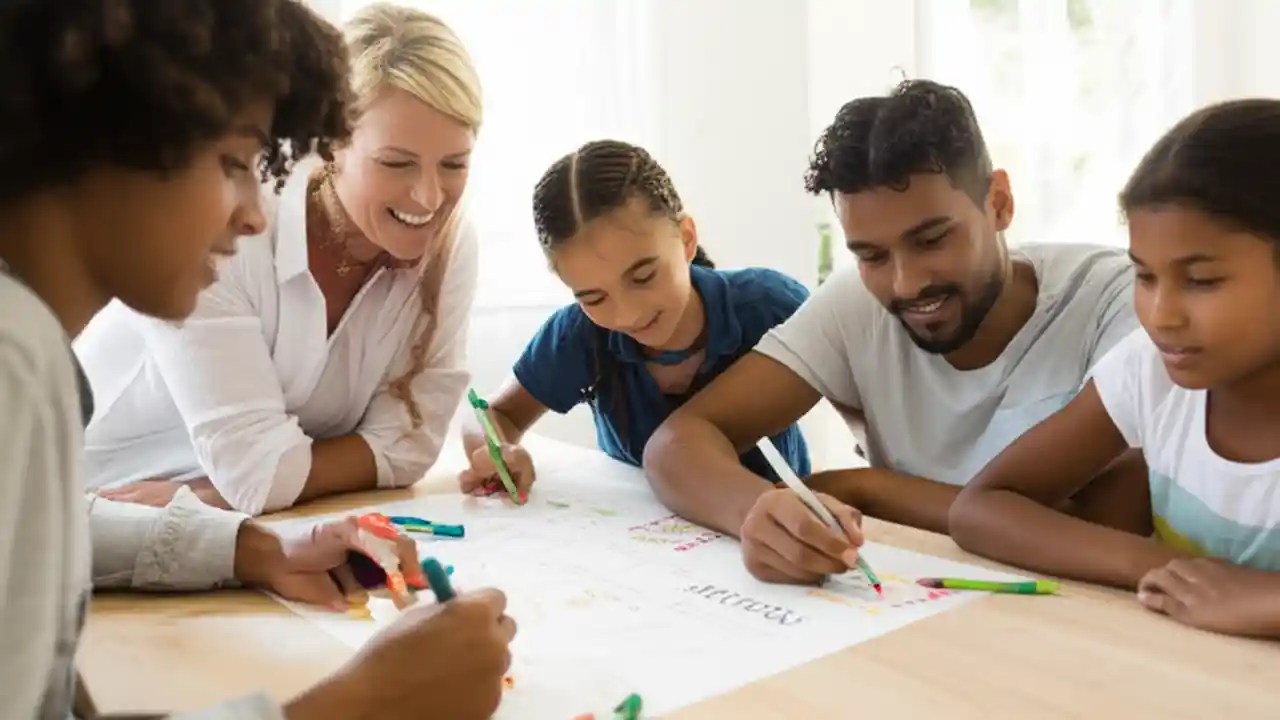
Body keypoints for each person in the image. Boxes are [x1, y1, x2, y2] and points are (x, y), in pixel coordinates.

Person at [0, 2, 513, 719]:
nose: (253, 212)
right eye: (236, 163)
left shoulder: (30, 351)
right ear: (112, 139)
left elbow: (46, 550)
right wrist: (361, 703)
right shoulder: (14, 365)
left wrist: (251, 549)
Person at [644, 79, 1142, 585]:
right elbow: (675, 444)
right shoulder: (855, 305)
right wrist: (761, 512)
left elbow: (1105, 527)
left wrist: (872, 490)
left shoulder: (1120, 298)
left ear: (999, 202)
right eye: (871, 255)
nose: (905, 283)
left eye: (931, 240)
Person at [77, 2, 482, 516]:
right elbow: (260, 476)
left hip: (226, 514)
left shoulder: (449, 242)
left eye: (454, 164)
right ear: (332, 143)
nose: (427, 196)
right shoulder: (227, 226)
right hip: (98, 505)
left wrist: (221, 491)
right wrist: (256, 481)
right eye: (396, 163)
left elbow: (410, 446)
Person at [950, 99, 1280, 640]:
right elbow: (981, 508)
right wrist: (1160, 568)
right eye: (1145, 277)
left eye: (1201, 281)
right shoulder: (1150, 371)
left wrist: (1264, 600)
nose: (1161, 316)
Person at [458, 140, 810, 498]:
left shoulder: (771, 306)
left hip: (774, 530)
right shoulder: (580, 335)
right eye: (593, 297)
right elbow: (494, 414)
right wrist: (496, 452)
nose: (628, 314)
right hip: (643, 537)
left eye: (643, 277)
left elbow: (863, 402)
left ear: (686, 238)